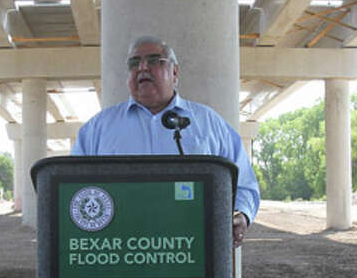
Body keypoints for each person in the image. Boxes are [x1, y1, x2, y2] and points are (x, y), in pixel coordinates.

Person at [70, 37, 260, 247]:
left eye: (154, 61)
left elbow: (244, 184)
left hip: (193, 250)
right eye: (134, 63)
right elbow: (72, 191)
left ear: (175, 72)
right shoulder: (98, 128)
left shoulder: (209, 123)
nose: (142, 68)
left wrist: (241, 215)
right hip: (118, 251)